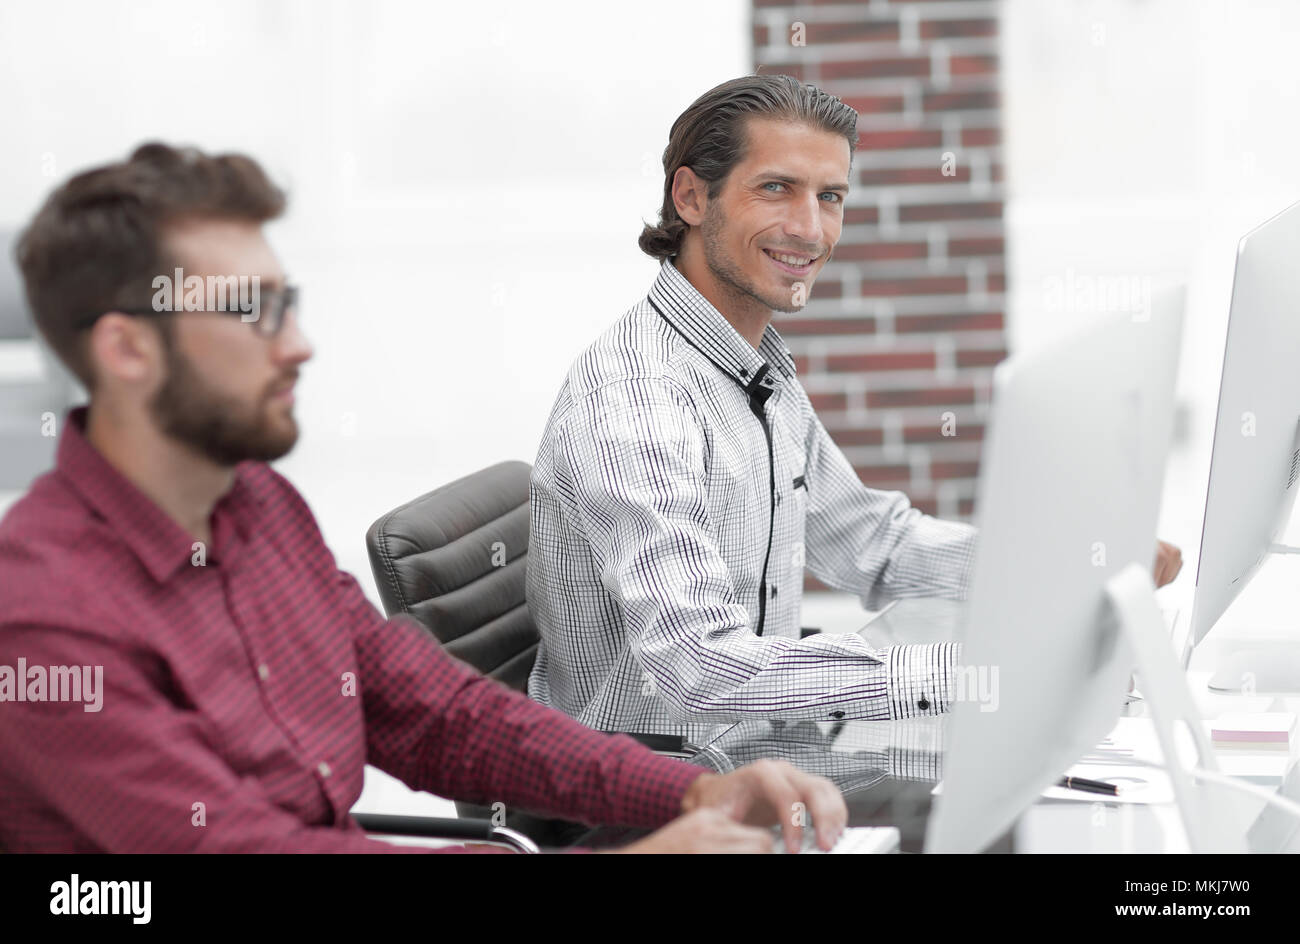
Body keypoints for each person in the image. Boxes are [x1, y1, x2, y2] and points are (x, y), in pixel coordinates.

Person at [0, 142, 848, 854]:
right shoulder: (44, 621)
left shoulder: (256, 507)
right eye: (253, 312)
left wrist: (696, 792)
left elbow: (434, 713)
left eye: (288, 304)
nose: (299, 346)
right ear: (128, 351)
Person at [525, 74, 1184, 739]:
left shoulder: (750, 368)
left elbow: (873, 544)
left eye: (830, 196)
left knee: (1044, 774)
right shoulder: (639, 404)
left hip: (764, 755)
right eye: (776, 188)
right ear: (692, 197)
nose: (810, 230)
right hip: (658, 802)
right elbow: (703, 668)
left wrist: (1066, 563)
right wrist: (967, 676)